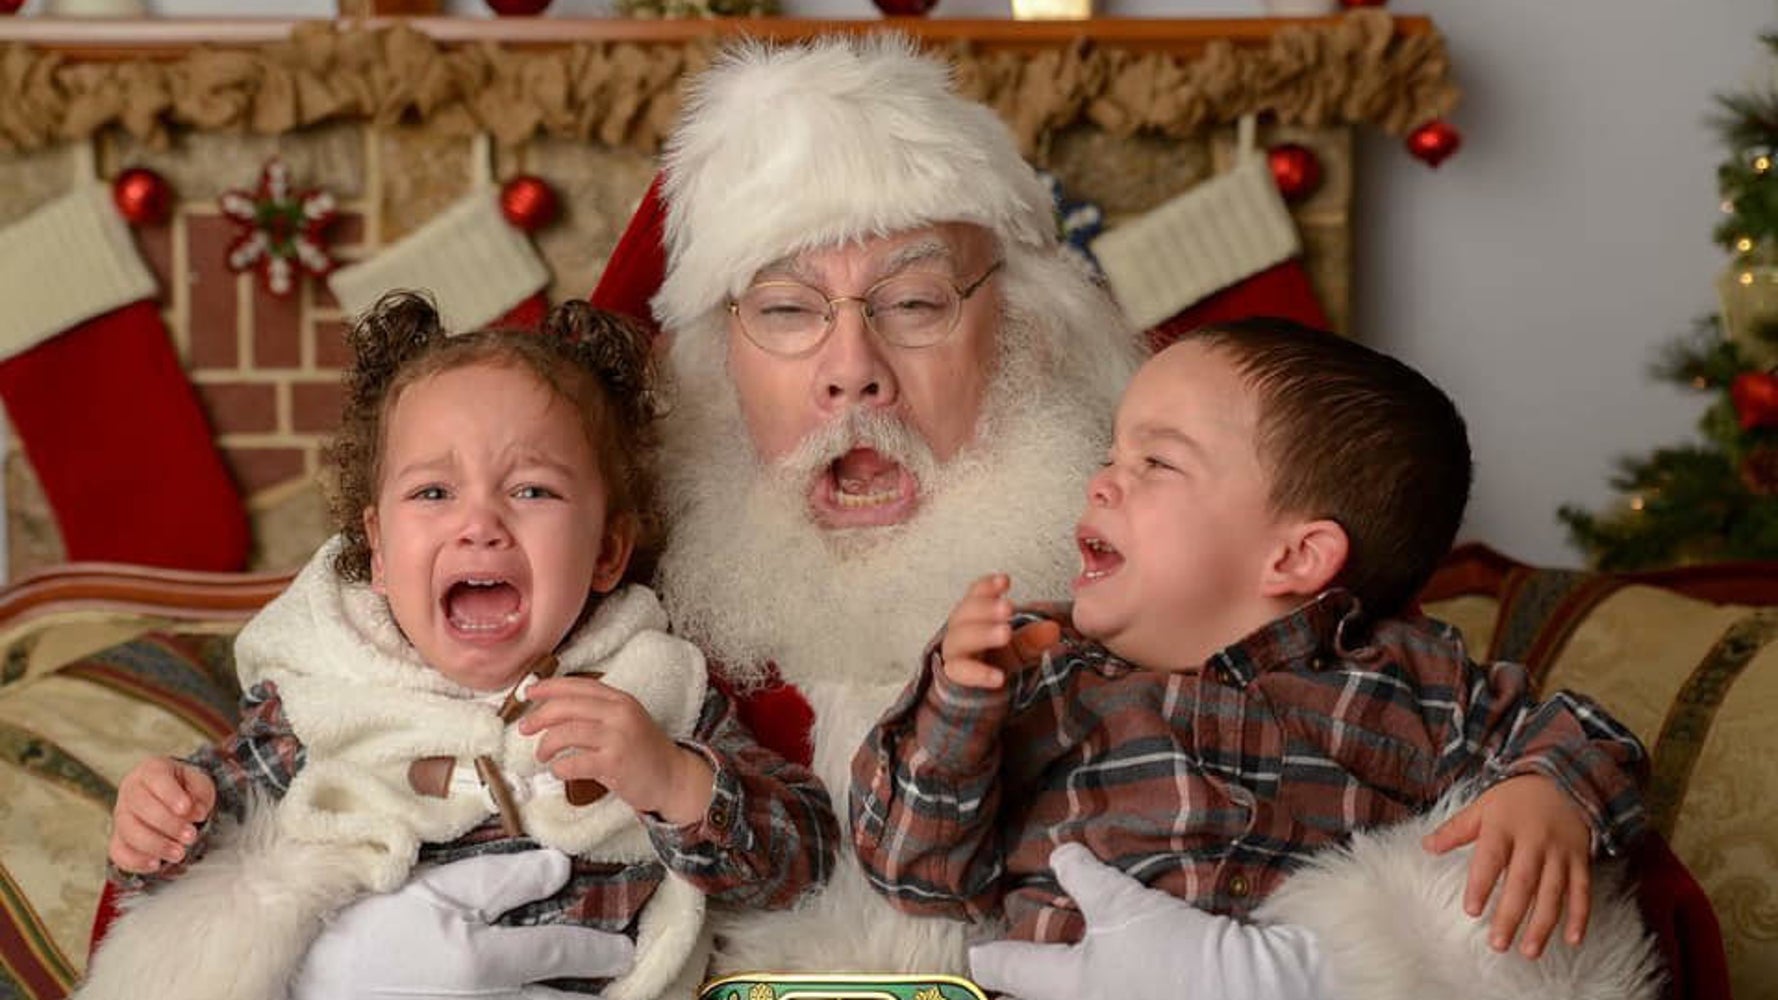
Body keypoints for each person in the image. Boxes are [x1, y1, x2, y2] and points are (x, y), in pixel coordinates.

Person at [292, 35, 1649, 1000]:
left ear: (1028, 348)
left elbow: (1620, 912)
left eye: (917, 300)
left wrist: (1342, 970)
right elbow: (274, 778)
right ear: (708, 377)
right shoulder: (560, 597)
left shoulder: (1189, 615)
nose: (852, 368)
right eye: (784, 311)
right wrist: (322, 963)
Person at [849, 320, 1657, 997]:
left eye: (1154, 462)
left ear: (1295, 558)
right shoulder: (1046, 675)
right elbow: (914, 872)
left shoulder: (1410, 686)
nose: (1101, 482)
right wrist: (959, 706)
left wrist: (1547, 790)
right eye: (1110, 454)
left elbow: (1587, 733)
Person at [87, 293, 836, 1000]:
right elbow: (211, 846)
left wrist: (673, 781)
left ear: (608, 551)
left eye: (533, 490)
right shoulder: (329, 691)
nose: (480, 524)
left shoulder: (653, 686)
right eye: (433, 493)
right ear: (377, 552)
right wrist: (163, 820)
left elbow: (804, 861)